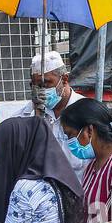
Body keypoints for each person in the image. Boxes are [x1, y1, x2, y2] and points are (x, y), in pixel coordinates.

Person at [21, 50, 90, 181]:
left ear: (64, 79)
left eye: (45, 83)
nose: (40, 90)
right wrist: (36, 118)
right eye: (35, 85)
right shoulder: (26, 114)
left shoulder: (86, 111)